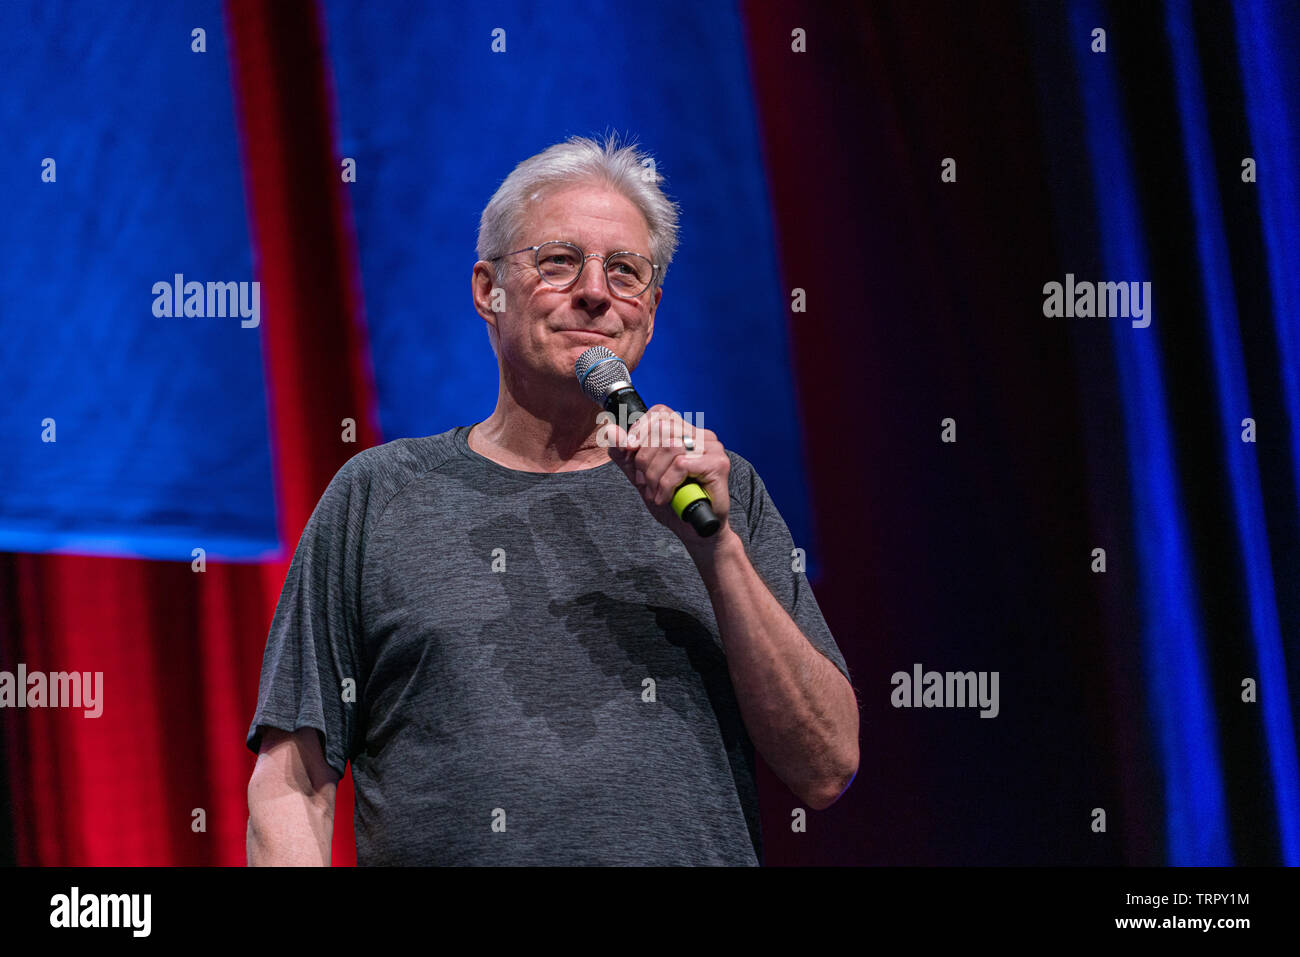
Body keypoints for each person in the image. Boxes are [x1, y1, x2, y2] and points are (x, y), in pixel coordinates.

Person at [244, 133, 858, 866]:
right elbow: (291, 782)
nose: (595, 291)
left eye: (625, 271)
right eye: (559, 261)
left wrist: (714, 548)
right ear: (486, 290)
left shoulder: (722, 494)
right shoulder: (378, 496)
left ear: (651, 310)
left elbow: (826, 764)